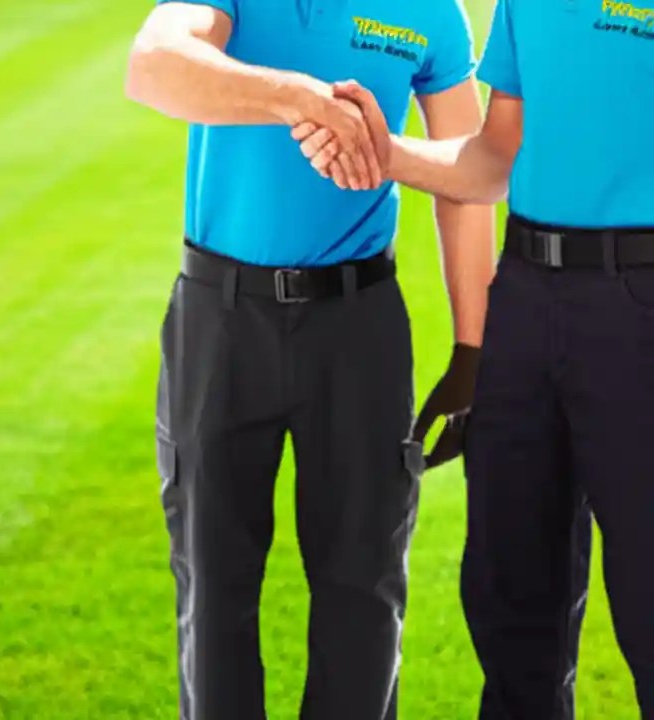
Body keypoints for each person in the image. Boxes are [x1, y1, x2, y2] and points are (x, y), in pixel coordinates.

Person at [124, 1, 496, 717]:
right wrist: (298, 98)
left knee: (365, 587)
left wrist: (473, 347)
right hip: (220, 321)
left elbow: (469, 175)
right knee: (214, 583)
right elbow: (153, 65)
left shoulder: (430, 13)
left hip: (360, 327)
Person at [293, 0, 654, 716]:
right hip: (525, 298)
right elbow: (496, 155)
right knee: (511, 598)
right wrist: (380, 150)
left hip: (639, 300)